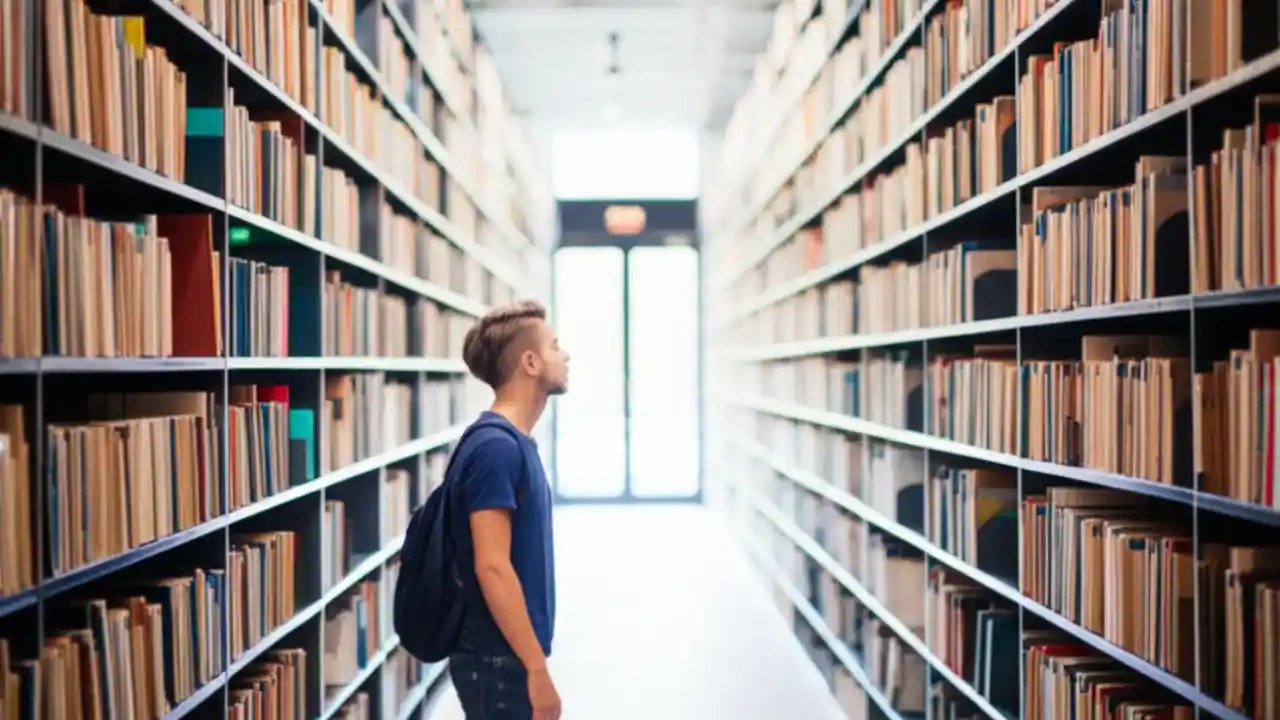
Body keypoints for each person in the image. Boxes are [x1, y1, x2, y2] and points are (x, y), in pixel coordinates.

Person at [448, 299, 569, 720]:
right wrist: (536, 670)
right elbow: (492, 566)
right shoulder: (496, 449)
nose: (566, 355)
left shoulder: (509, 442)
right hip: (497, 659)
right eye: (556, 346)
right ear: (530, 362)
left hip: (504, 654)